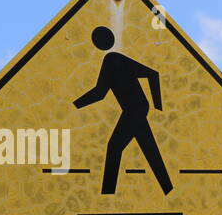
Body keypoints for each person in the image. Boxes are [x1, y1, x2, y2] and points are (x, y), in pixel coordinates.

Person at [73, 25, 173, 195]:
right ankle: (168, 189)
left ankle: (107, 194)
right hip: (136, 109)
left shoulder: (113, 60)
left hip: (136, 109)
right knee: (149, 150)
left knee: (114, 147)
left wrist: (159, 107)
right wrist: (76, 105)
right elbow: (100, 93)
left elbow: (153, 74)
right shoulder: (111, 60)